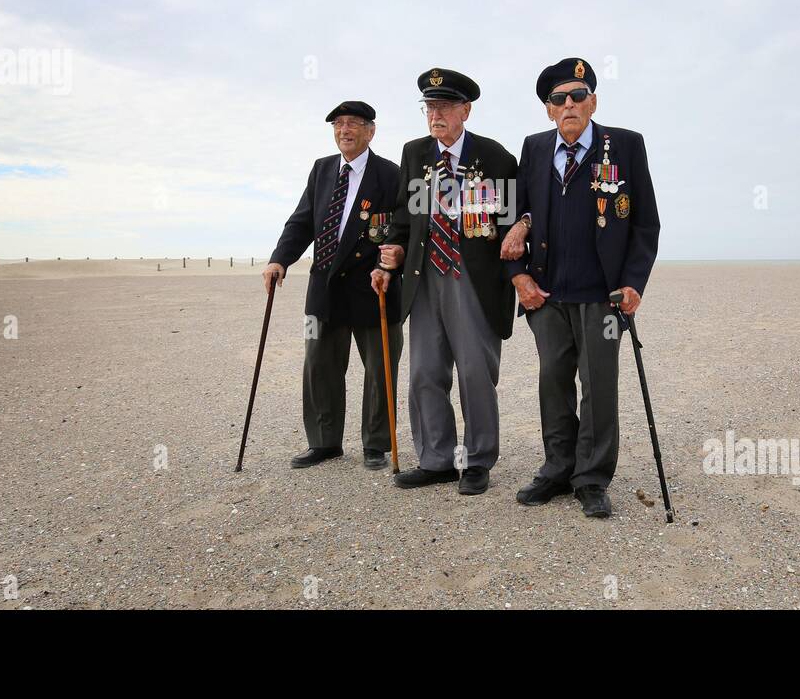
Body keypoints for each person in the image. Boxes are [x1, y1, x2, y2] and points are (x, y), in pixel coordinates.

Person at [501, 58, 660, 518]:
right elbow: (510, 215)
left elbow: (645, 223)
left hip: (602, 297)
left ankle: (590, 478)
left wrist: (633, 283)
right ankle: (557, 468)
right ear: (549, 110)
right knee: (553, 383)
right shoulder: (533, 149)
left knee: (599, 387)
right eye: (558, 99)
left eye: (578, 95)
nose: (568, 104)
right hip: (546, 296)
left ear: (593, 102)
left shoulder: (626, 145)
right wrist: (518, 278)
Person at [371, 68, 517, 496]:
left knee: (475, 371)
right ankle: (436, 458)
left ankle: (477, 460)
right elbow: (404, 215)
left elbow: (507, 219)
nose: (435, 114)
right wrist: (395, 251)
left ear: (465, 110)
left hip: (472, 276)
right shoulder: (414, 153)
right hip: (425, 275)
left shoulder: (494, 157)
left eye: (445, 107)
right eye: (430, 107)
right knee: (425, 372)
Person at [264, 101, 403, 470]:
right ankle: (324, 442)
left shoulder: (390, 174)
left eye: (354, 123)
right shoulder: (322, 170)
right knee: (318, 364)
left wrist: (388, 263)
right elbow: (302, 221)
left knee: (379, 368)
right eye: (339, 124)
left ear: (370, 131)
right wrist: (280, 258)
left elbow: (399, 227)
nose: (345, 130)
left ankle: (375, 444)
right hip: (323, 287)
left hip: (372, 285)